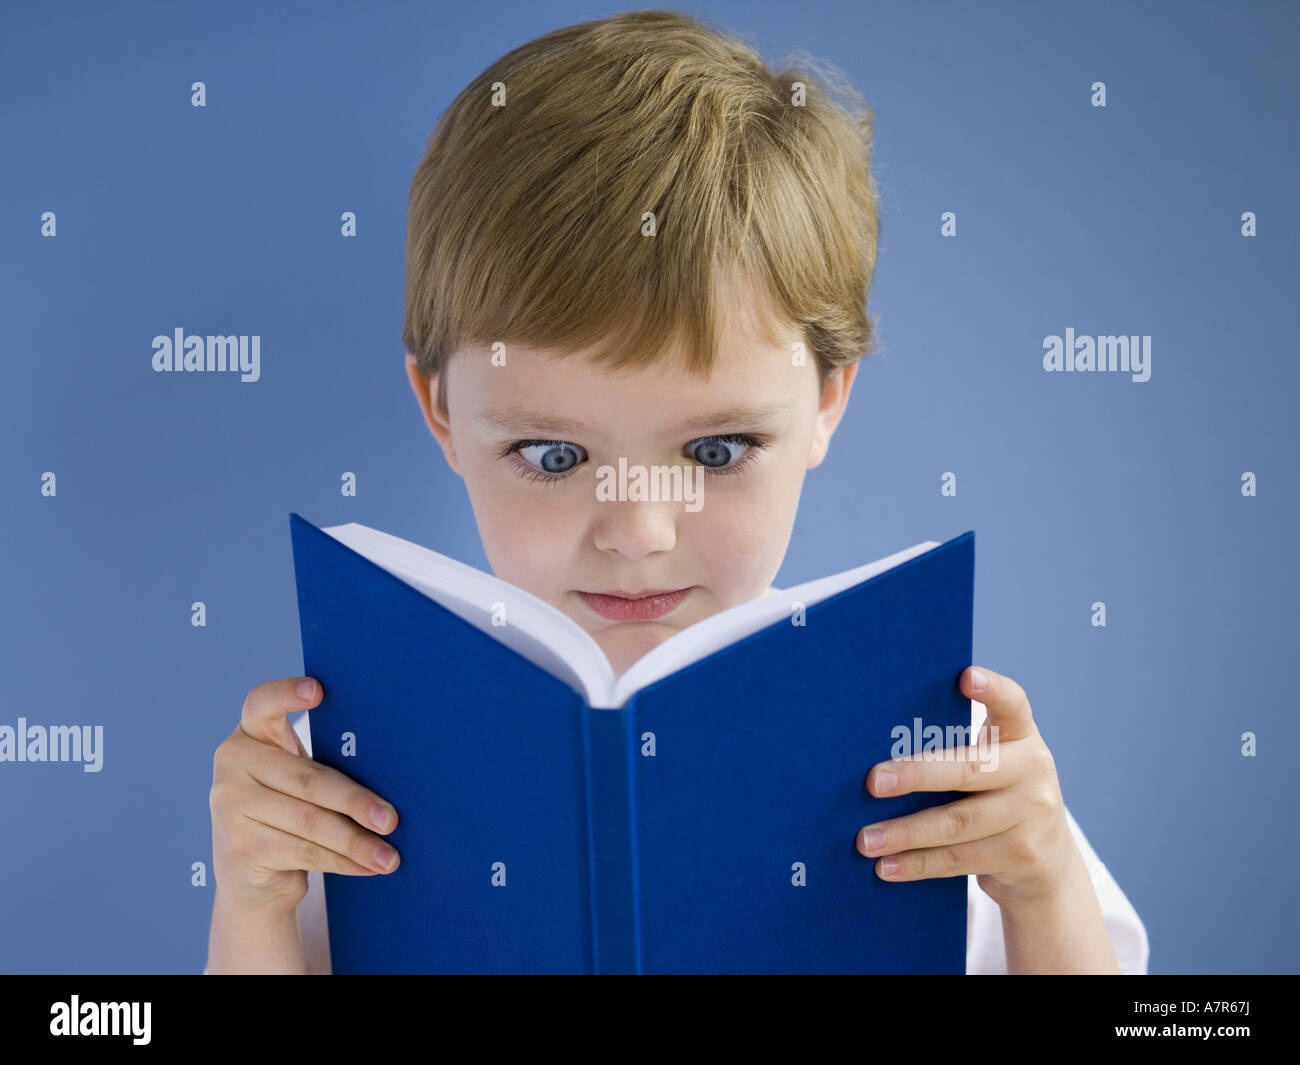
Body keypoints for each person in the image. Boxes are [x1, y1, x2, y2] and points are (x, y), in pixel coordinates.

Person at [206, 9, 1148, 975]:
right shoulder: (349, 765)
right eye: (555, 456)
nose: (639, 533)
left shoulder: (940, 757)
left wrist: (1043, 889)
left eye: (716, 449)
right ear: (442, 413)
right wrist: (252, 905)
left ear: (827, 398)